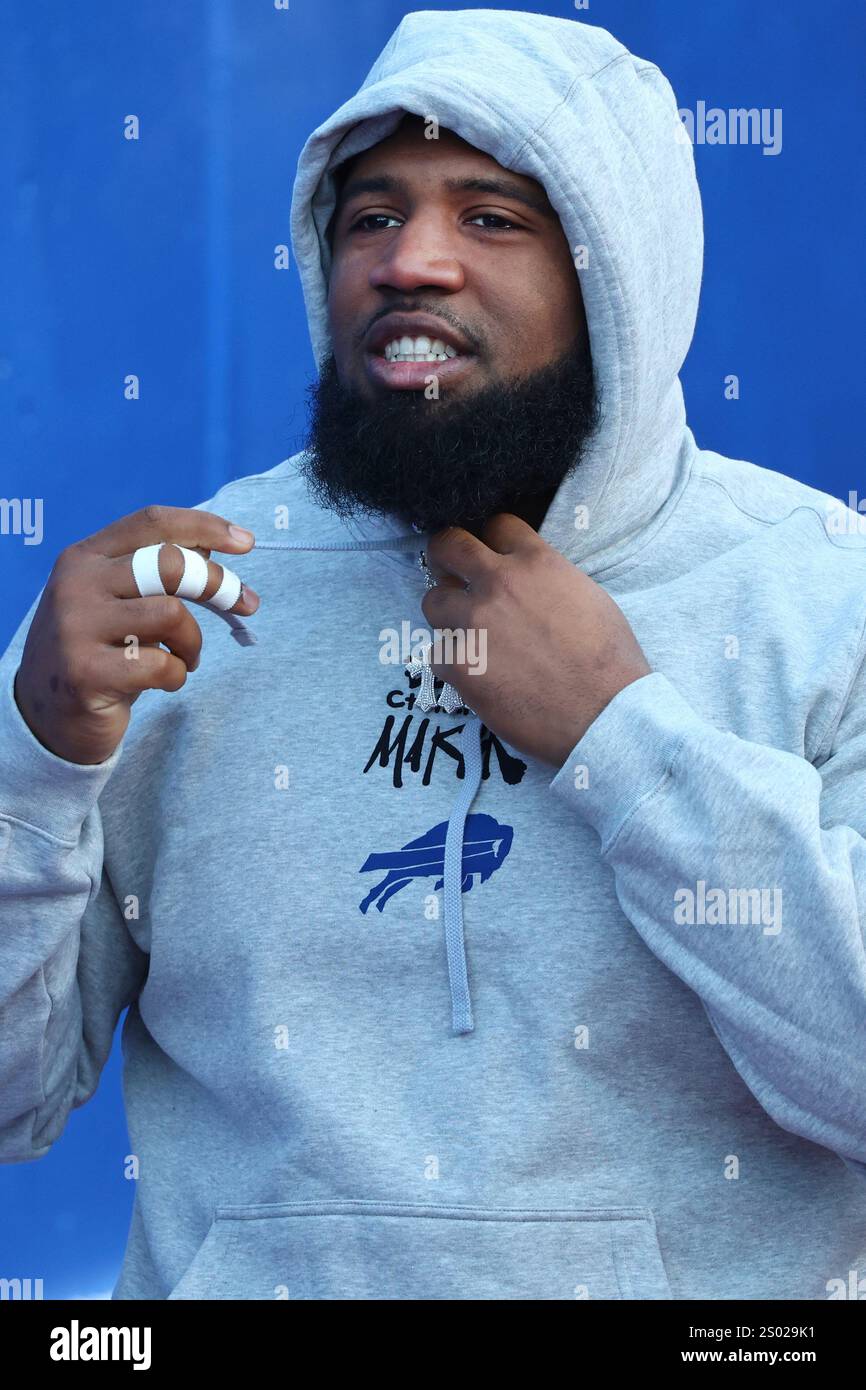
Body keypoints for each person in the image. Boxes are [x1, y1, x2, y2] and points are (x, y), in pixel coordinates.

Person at [1, 9, 865, 1302]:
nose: (412, 261)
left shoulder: (819, 592)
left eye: (491, 217)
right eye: (368, 217)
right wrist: (34, 762)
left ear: (614, 272)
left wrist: (615, 728)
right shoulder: (181, 605)